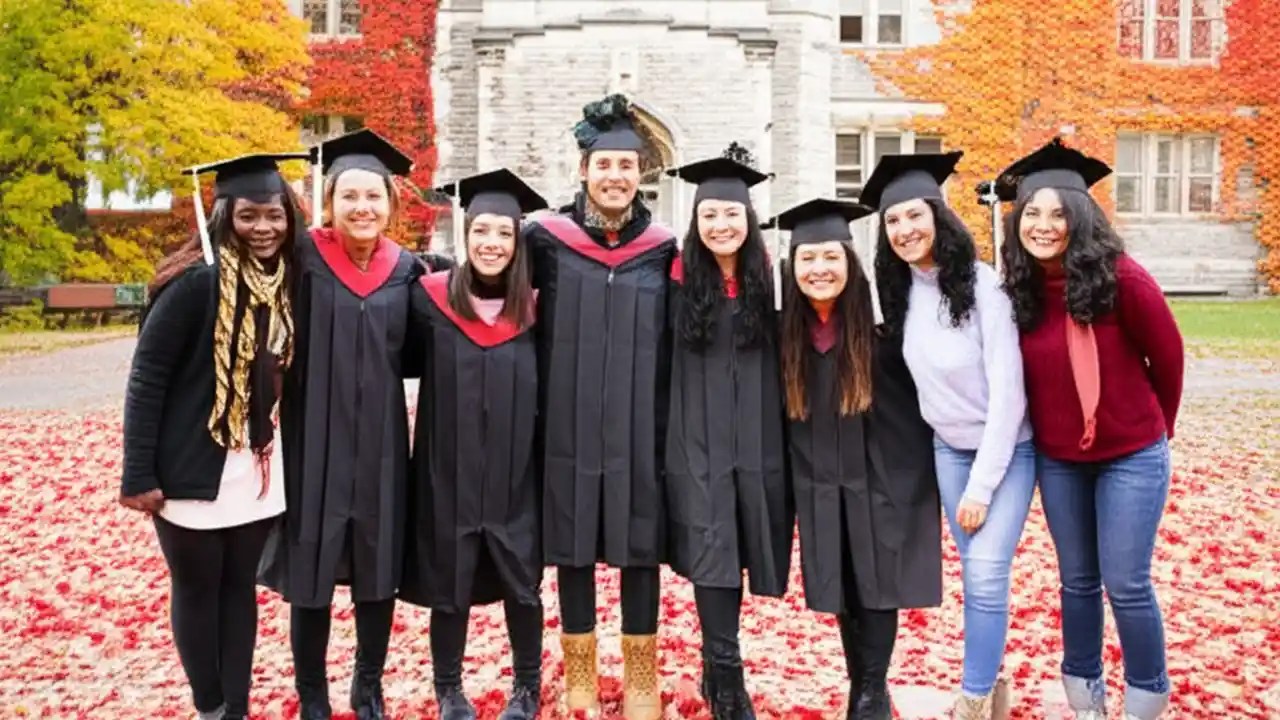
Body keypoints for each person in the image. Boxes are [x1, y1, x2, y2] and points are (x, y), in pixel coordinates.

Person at [995, 139, 1184, 720]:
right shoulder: (1018, 290)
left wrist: (1152, 433)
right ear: (1017, 220)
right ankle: (1085, 698)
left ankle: (1146, 698)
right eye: (1032, 213)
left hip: (1130, 455)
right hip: (1059, 460)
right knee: (1077, 582)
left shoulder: (1123, 279)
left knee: (1125, 582)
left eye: (1058, 213)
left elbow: (1168, 360)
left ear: (1081, 217)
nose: (1045, 225)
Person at [121, 153, 306, 720]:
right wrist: (138, 473)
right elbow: (146, 378)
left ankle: (238, 706)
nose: (263, 228)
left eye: (273, 216)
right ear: (225, 214)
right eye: (249, 216)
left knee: (239, 591)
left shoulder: (287, 284)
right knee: (199, 590)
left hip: (251, 466)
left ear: (288, 218)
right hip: (190, 466)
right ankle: (210, 706)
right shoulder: (196, 284)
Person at [858, 152, 1033, 720]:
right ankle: (993, 680)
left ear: (938, 216)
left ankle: (974, 701)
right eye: (893, 221)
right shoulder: (903, 292)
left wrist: (981, 487)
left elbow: (1010, 394)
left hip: (1002, 452)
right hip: (947, 451)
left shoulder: (983, 287)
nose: (905, 230)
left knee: (984, 575)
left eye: (915, 216)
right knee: (977, 579)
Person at [521, 93, 678, 719]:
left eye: (627, 165)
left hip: (643, 425)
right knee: (575, 542)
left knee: (640, 545)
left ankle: (643, 675)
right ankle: (579, 672)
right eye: (603, 164)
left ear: (642, 173)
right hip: (568, 423)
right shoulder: (548, 240)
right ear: (583, 170)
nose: (616, 176)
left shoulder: (665, 248)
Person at [258, 129, 422, 720]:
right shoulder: (302, 258)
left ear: (391, 205)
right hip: (313, 439)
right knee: (313, 570)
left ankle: (368, 685)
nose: (362, 208)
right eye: (349, 197)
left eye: (374, 198)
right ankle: (313, 695)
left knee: (379, 569)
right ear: (329, 203)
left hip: (381, 441)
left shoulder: (406, 269)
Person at [769, 198, 942, 720]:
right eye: (807, 259)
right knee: (844, 581)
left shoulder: (885, 332)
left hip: (879, 478)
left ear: (850, 263)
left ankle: (871, 690)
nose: (819, 269)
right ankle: (862, 687)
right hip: (820, 480)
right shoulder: (786, 337)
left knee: (877, 582)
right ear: (791, 268)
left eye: (831, 257)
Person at [399, 168, 548, 720]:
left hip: (517, 473)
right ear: (465, 236)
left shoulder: (537, 310)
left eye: (504, 234)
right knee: (449, 583)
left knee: (523, 586)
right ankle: (449, 689)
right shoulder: (429, 301)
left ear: (518, 242)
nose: (492, 243)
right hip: (447, 471)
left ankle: (526, 687)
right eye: (481, 231)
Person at [663, 144, 790, 718]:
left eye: (731, 214)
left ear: (749, 219)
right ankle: (729, 677)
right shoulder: (676, 285)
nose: (720, 224)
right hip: (697, 442)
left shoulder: (775, 285)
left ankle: (717, 670)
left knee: (742, 545)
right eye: (709, 215)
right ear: (695, 221)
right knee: (713, 548)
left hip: (761, 443)